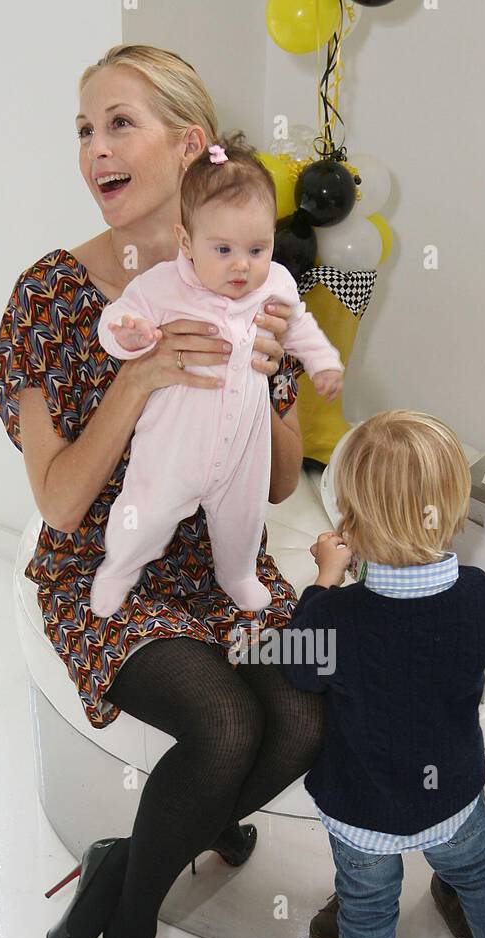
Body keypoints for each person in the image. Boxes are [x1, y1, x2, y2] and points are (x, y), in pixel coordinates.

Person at [0, 44, 324, 938]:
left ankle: (118, 869)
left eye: (119, 122)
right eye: (84, 129)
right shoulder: (48, 295)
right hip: (107, 570)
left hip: (220, 566)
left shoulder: (249, 272)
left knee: (306, 713)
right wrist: (136, 384)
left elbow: (275, 487)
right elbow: (55, 499)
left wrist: (275, 385)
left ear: (189, 146)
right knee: (226, 727)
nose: (96, 148)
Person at [280, 411, 485, 938]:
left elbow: (297, 669)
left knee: (368, 909)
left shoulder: (337, 620)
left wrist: (325, 579)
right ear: (450, 511)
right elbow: (480, 645)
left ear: (350, 522)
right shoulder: (478, 595)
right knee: (482, 878)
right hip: (453, 798)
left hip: (365, 811)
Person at [91, 134, 344, 619]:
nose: (241, 266)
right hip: (174, 446)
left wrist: (324, 362)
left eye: (257, 247)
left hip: (242, 447)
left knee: (243, 520)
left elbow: (298, 324)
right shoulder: (163, 285)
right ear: (186, 241)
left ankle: (238, 575)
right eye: (223, 248)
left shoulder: (276, 283)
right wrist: (131, 332)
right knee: (146, 512)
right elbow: (118, 319)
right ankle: (120, 568)